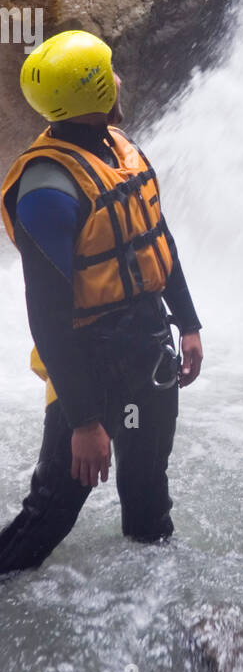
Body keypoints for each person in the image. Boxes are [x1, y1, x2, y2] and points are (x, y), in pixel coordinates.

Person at [0, 30, 203, 574]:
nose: (119, 79)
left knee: (149, 500)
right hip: (88, 369)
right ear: (93, 91)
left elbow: (155, 238)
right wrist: (86, 421)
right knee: (52, 512)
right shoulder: (46, 189)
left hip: (149, 350)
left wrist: (188, 324)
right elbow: (46, 317)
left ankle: (156, 611)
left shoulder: (120, 150)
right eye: (108, 72)